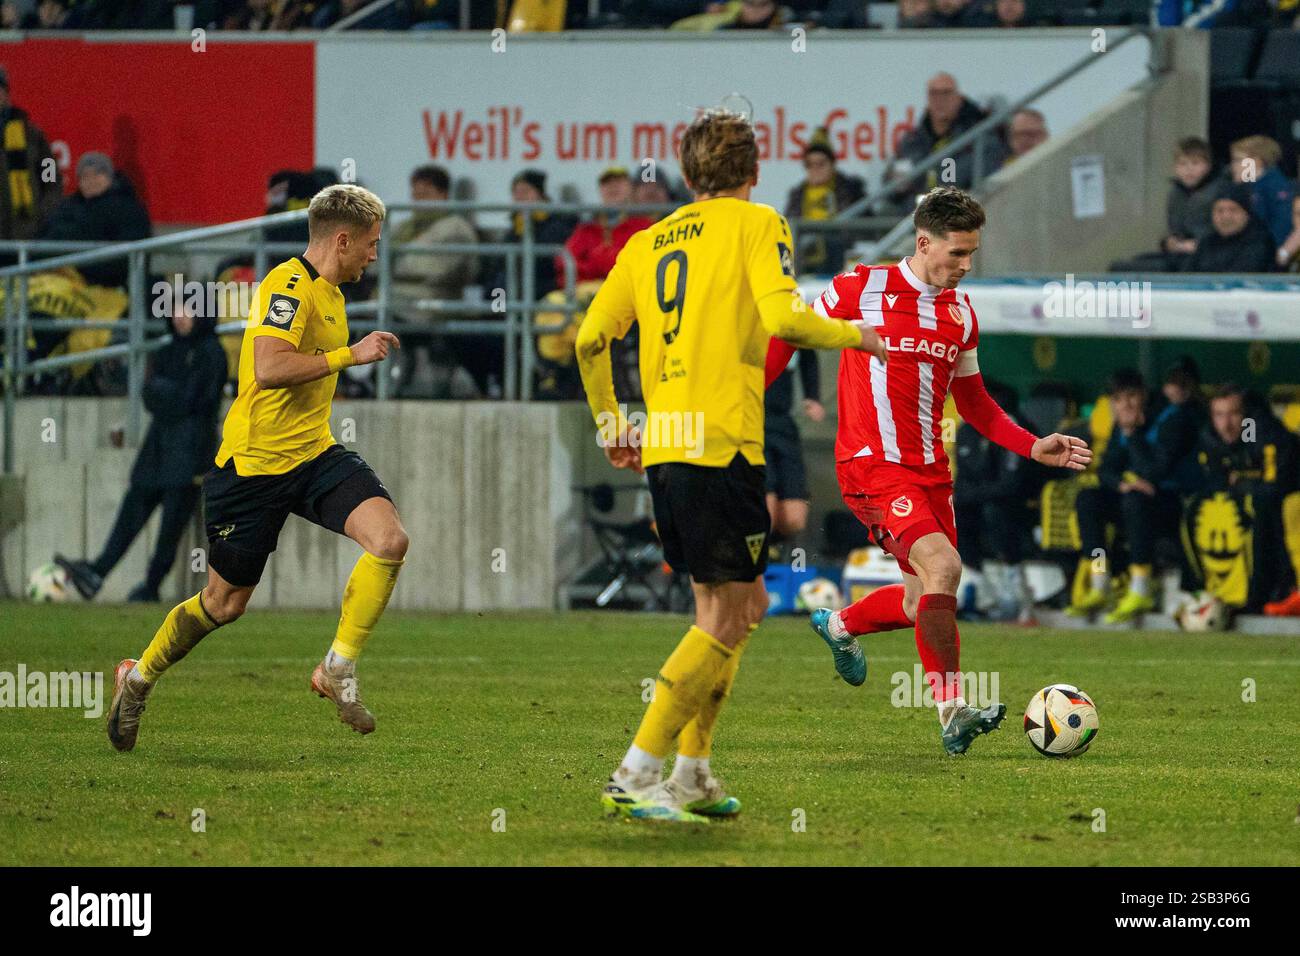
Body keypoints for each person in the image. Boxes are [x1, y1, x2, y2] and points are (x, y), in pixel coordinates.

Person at [574, 108, 883, 822]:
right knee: (730, 615)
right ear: (754, 170)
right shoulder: (758, 224)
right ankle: (636, 772)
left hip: (666, 444)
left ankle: (693, 773)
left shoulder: (647, 241)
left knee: (730, 610)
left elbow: (591, 339)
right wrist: (859, 335)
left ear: (685, 175)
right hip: (722, 445)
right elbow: (784, 320)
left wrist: (611, 422)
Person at [769, 186, 1090, 754]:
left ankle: (839, 625)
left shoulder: (961, 314)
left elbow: (975, 405)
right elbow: (788, 334)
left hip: (931, 473)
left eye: (972, 255)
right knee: (945, 565)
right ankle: (952, 711)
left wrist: (1032, 444)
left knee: (923, 600)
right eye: (957, 254)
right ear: (923, 242)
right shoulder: (860, 287)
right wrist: (746, 396)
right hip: (870, 465)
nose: (966, 267)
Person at [105, 185, 410, 753]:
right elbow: (268, 367)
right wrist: (351, 355)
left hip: (313, 455)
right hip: (253, 468)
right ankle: (139, 677)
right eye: (369, 245)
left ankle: (337, 668)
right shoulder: (286, 285)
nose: (374, 255)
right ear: (341, 240)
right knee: (224, 605)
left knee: (389, 539)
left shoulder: (335, 292)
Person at [55, 304, 227, 603]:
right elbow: (152, 394)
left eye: (187, 311)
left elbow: (197, 399)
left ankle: (151, 585)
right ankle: (97, 571)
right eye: (176, 311)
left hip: (191, 453)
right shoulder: (168, 349)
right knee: (132, 510)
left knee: (170, 529)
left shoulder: (211, 352)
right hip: (158, 447)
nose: (179, 318)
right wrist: (172, 394)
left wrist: (167, 393)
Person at [1068, 366, 1203, 623]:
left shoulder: (1170, 418)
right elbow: (1107, 469)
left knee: (1135, 501)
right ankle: (1099, 583)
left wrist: (1133, 435)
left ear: (1143, 394)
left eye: (1131, 396)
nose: (1126, 405)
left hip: (1172, 503)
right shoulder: (1122, 425)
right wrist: (1121, 484)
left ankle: (1141, 587)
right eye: (1118, 400)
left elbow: (1155, 471)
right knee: (1088, 498)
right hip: (1136, 499)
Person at [1188, 384, 1300, 615]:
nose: (1226, 424)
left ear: (1247, 415)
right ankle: (1200, 588)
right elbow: (1217, 481)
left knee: (1267, 507)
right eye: (1219, 415)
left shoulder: (1264, 433)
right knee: (1197, 507)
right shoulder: (1210, 439)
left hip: (1287, 501)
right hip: (1257, 504)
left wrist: (1241, 482)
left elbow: (1275, 485)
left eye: (1234, 414)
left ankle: (1273, 592)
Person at [952, 378, 1043, 622]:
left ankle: (1019, 589)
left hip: (1022, 502)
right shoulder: (966, 431)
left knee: (996, 511)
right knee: (953, 510)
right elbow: (962, 482)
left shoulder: (1012, 428)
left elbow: (1012, 484)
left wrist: (973, 495)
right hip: (982, 499)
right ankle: (978, 586)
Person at [884, 73, 1006, 207]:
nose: (940, 100)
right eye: (934, 94)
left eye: (946, 93)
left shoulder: (979, 138)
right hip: (915, 216)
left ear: (959, 98)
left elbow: (985, 183)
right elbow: (892, 187)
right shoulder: (912, 142)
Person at [37, 152, 152, 289]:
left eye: (98, 174)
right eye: (85, 176)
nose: (91, 180)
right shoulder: (66, 209)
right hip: (62, 285)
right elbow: (45, 241)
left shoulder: (128, 209)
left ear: (110, 177)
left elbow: (129, 255)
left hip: (111, 288)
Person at [762, 347, 822, 552]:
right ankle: (752, 570)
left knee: (794, 519)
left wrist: (812, 395)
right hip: (749, 423)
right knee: (765, 514)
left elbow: (808, 348)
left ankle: (769, 557)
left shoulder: (789, 323)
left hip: (782, 424)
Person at [783, 127, 866, 274]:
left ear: (832, 164)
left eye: (821, 163)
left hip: (837, 258)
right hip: (803, 259)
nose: (815, 169)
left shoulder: (849, 191)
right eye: (810, 165)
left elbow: (857, 230)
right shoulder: (797, 195)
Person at [0, 68, 63, 244]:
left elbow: (51, 177)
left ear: (6, 94)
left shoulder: (32, 135)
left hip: (27, 234)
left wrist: (43, 213)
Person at [560, 167, 654, 282]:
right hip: (590, 293)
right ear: (600, 189)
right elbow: (563, 262)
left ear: (631, 189)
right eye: (607, 183)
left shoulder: (645, 227)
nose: (613, 187)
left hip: (631, 292)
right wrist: (594, 271)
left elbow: (651, 265)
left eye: (619, 182)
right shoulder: (587, 229)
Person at [1185, 183, 1277, 273]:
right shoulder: (1206, 243)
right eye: (1220, 211)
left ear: (1246, 214)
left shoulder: (1260, 243)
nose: (1226, 217)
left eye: (1233, 210)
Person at [1228, 135, 1296, 247]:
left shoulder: (1275, 186)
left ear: (1257, 161)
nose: (1233, 166)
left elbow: (1282, 226)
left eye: (1238, 160)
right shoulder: (1246, 187)